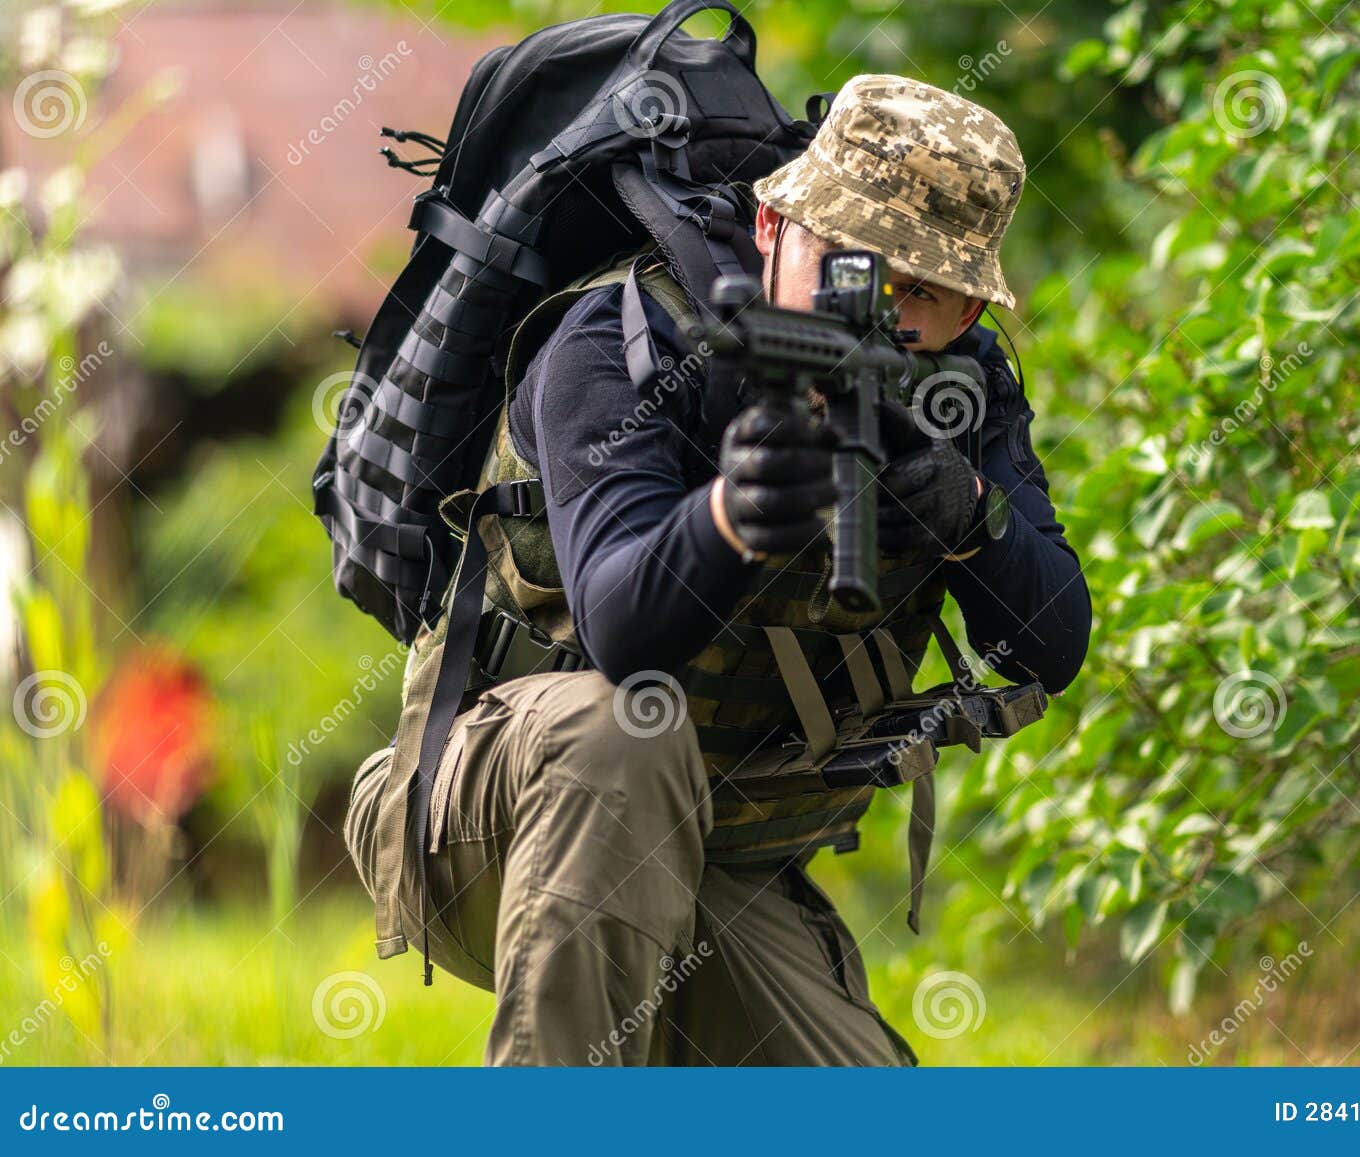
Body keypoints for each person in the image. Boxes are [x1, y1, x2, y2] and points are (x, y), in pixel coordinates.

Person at [344, 73, 1091, 1065]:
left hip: (718, 855)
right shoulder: (625, 340)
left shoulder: (962, 388)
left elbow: (1052, 642)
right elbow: (622, 631)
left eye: (923, 293)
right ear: (775, 223)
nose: (880, 312)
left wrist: (964, 514)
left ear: (965, 313)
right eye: (852, 267)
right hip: (487, 814)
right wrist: (731, 516)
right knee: (624, 731)